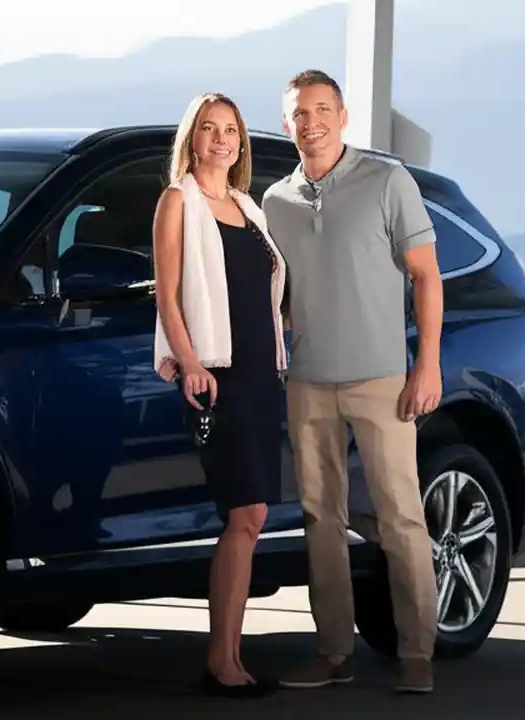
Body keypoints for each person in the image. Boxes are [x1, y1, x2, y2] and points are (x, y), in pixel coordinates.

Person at [261, 69, 443, 694]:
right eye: (299, 113)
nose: (310, 122)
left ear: (342, 117)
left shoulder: (387, 181)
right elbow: (280, 295)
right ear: (286, 125)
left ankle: (417, 652)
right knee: (320, 518)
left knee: (400, 518)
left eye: (321, 110)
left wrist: (427, 364)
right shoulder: (275, 202)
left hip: (381, 379)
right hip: (308, 382)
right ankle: (333, 651)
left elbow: (426, 275)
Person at [152, 92, 288, 696]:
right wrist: (188, 364)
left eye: (230, 129)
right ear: (193, 138)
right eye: (209, 128)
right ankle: (221, 661)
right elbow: (168, 293)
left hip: (260, 375)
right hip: (217, 376)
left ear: (241, 142)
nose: (221, 139)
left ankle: (230, 654)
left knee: (253, 517)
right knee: (243, 513)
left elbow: (265, 294)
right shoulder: (177, 201)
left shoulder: (246, 207)